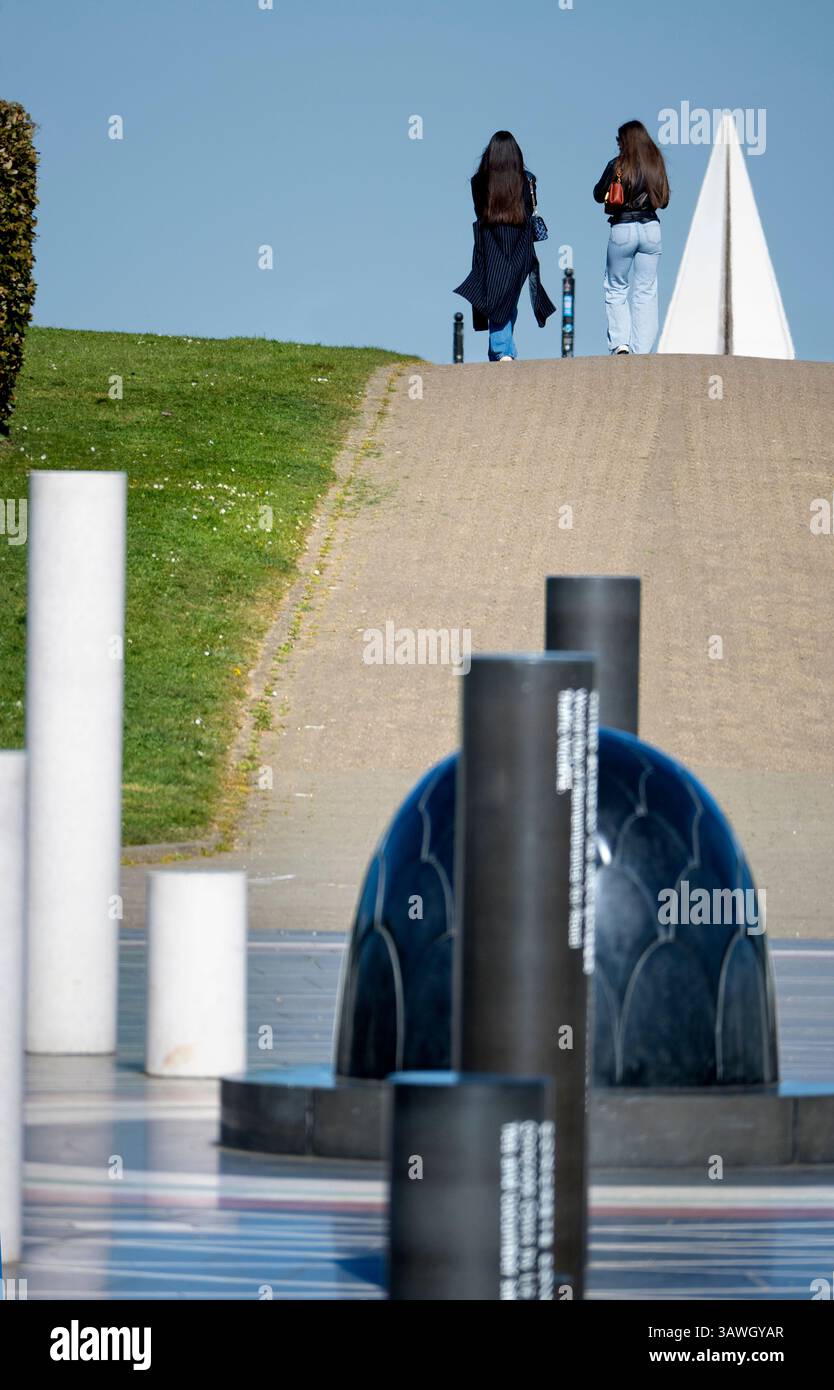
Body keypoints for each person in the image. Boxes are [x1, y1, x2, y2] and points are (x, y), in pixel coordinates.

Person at [455, 131, 556, 361]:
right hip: (520, 244)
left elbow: (479, 211)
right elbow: (530, 210)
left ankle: (502, 350)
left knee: (498, 297)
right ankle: (502, 350)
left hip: (490, 242)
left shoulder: (479, 182)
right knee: (506, 297)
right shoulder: (527, 179)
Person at [593, 120, 670, 355]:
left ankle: (621, 344)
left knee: (616, 286)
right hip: (651, 228)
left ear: (624, 141)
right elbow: (664, 201)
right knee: (646, 289)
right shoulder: (656, 164)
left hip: (623, 227)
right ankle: (642, 349)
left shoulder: (617, 165)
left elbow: (598, 194)